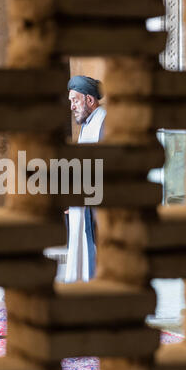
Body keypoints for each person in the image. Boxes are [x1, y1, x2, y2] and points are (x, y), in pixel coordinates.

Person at [64, 75, 106, 283]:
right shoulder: (86, 125)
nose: (72, 106)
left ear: (90, 100)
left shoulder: (104, 121)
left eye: (75, 100)